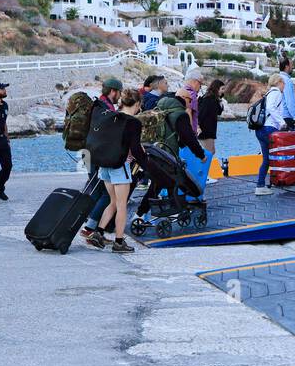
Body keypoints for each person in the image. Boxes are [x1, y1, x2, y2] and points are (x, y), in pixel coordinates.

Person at [85, 89, 148, 254]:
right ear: (137, 104)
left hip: (104, 166)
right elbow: (135, 149)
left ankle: (97, 233)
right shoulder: (133, 122)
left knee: (112, 202)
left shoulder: (110, 116)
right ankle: (119, 242)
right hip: (120, 167)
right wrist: (147, 165)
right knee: (121, 205)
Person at [135, 90, 210, 217]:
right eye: (190, 100)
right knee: (164, 182)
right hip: (167, 155)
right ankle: (143, 213)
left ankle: (167, 210)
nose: (190, 103)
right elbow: (189, 138)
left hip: (153, 151)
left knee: (164, 182)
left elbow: (171, 133)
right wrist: (201, 155)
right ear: (183, 98)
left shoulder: (160, 107)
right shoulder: (180, 114)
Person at [80, 78, 125, 241]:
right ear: (113, 91)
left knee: (95, 188)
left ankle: (90, 224)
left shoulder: (98, 104)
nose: (120, 96)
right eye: (119, 93)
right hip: (95, 153)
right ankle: (89, 227)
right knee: (106, 192)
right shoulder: (105, 108)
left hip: (87, 151)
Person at [254, 73, 286, 196]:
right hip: (269, 129)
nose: (284, 85)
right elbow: (272, 108)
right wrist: (282, 123)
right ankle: (282, 180)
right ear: (278, 82)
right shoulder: (277, 93)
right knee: (278, 156)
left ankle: (260, 185)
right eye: (283, 83)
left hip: (260, 129)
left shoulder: (268, 94)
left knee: (267, 159)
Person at [196, 79, 224, 156]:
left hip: (210, 130)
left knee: (212, 151)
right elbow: (201, 114)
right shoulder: (208, 99)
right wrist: (198, 127)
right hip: (205, 131)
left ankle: (206, 167)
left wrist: (220, 99)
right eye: (222, 89)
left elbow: (219, 111)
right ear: (217, 88)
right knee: (208, 153)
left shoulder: (214, 99)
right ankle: (204, 168)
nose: (223, 91)